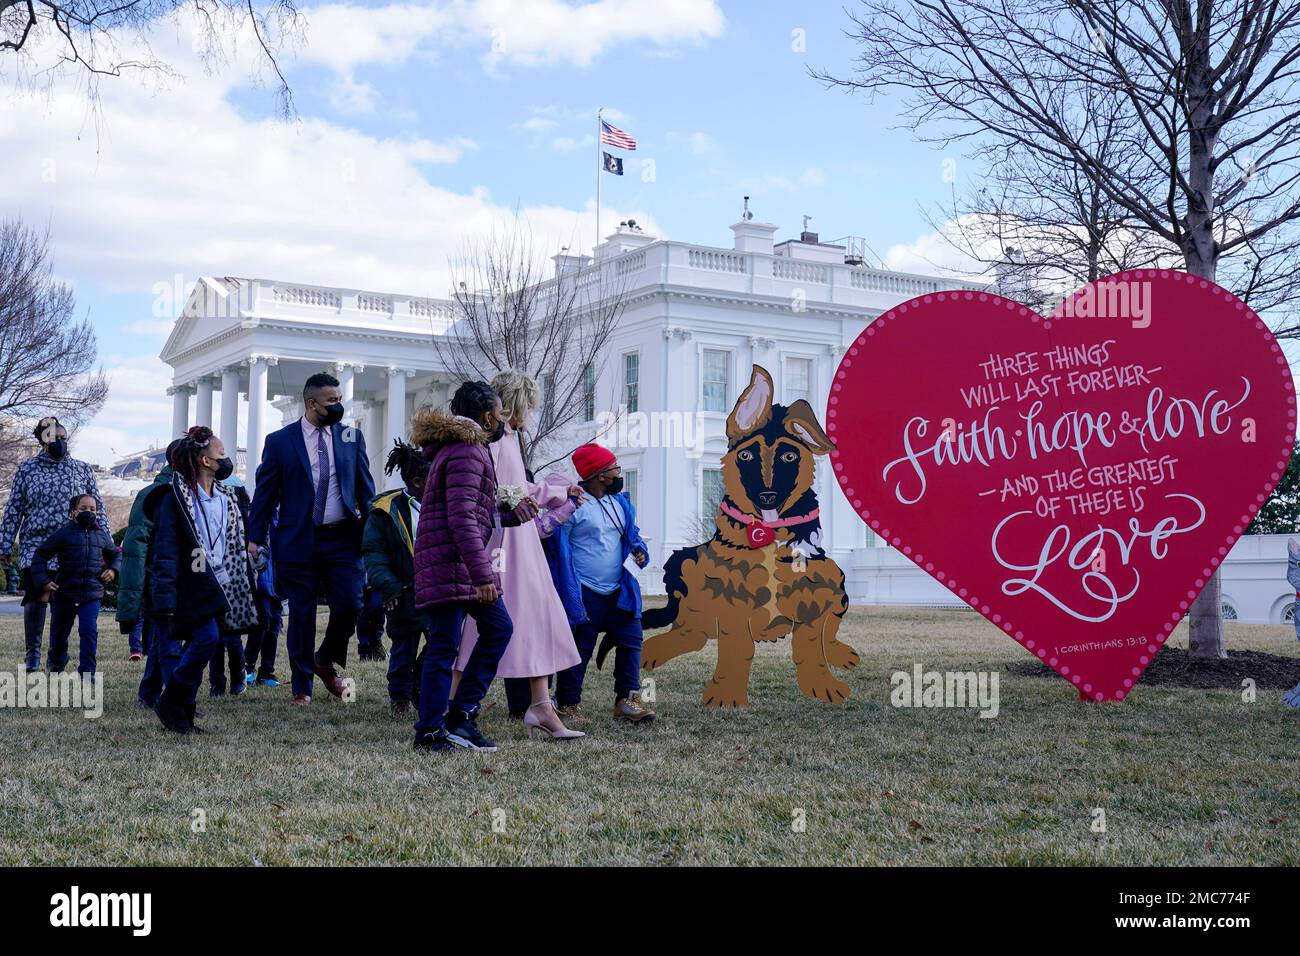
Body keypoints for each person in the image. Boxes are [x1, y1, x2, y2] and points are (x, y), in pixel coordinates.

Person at [453, 370, 585, 739]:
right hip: (501, 540)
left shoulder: (508, 439)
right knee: (487, 621)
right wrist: (550, 492)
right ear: (514, 405)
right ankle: (451, 705)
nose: (531, 414)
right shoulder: (493, 441)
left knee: (537, 615)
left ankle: (541, 705)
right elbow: (497, 491)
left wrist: (553, 492)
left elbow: (517, 487)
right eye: (529, 406)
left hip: (520, 540)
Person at [410, 382, 537, 752]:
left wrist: (508, 516)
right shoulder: (468, 451)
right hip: (452, 564)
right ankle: (431, 731)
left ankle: (461, 716)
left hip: (455, 562)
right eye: (498, 415)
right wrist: (483, 576)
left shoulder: (461, 450)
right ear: (486, 417)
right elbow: (462, 518)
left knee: (498, 629)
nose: (502, 421)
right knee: (445, 646)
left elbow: (472, 511)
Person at [246, 373, 375, 705]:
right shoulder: (280, 441)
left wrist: (373, 530)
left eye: (340, 398)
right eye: (332, 400)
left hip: (343, 539)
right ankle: (302, 688)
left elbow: (365, 488)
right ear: (311, 403)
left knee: (350, 604)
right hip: (298, 541)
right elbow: (264, 494)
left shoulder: (351, 437)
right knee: (301, 614)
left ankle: (324, 659)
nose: (339, 406)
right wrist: (255, 537)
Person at [149, 427, 259, 734]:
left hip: (215, 583)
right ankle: (173, 700)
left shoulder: (225, 497)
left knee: (203, 641)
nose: (227, 460)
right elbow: (166, 550)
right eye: (222, 454)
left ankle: (181, 708)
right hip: (188, 583)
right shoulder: (174, 498)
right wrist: (165, 599)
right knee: (206, 639)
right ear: (205, 461)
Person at [553, 444, 656, 723]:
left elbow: (631, 534)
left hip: (619, 589)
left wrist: (639, 550)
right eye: (614, 469)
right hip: (585, 589)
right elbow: (558, 545)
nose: (617, 474)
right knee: (580, 647)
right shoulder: (573, 505)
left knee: (632, 640)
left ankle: (626, 700)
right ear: (599, 475)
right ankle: (567, 703)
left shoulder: (620, 502)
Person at [0, 417, 107, 672]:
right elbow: (14, 509)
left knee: (64, 604)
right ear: (42, 440)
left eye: (63, 438)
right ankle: (33, 655)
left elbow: (98, 510)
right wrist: (4, 545)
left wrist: (105, 546)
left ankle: (57, 655)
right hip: (36, 545)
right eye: (53, 438)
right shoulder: (27, 469)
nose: (59, 442)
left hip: (73, 547)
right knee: (37, 596)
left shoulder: (82, 469)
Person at [363, 440, 430, 715]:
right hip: (403, 590)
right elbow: (375, 553)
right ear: (417, 481)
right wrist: (389, 586)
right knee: (404, 644)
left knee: (442, 643)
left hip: (437, 588)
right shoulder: (385, 510)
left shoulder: (445, 504)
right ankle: (400, 695)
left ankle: (420, 681)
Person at [116, 439, 184, 707]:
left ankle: (148, 694)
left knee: (161, 639)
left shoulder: (191, 490)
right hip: (161, 577)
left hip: (176, 575)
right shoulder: (155, 494)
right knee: (169, 638)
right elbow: (137, 546)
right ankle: (175, 701)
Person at [28, 494, 119, 676]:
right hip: (64, 594)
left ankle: (87, 673)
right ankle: (57, 661)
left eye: (92, 509)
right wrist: (44, 581)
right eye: (83, 508)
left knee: (88, 632)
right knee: (59, 636)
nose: (88, 512)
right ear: (73, 512)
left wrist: (114, 570)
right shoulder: (63, 534)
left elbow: (116, 555)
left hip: (91, 594)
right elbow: (40, 556)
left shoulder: (101, 535)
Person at [207, 473, 252, 697]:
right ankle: (217, 683)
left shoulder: (240, 515)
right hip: (215, 575)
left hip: (232, 578)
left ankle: (236, 678)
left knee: (230, 635)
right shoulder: (212, 507)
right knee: (217, 635)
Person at [242, 525, 284, 687]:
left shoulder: (283, 515)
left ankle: (266, 672)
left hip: (278, 579)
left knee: (274, 625)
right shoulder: (261, 515)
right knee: (261, 623)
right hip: (262, 578)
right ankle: (248, 668)